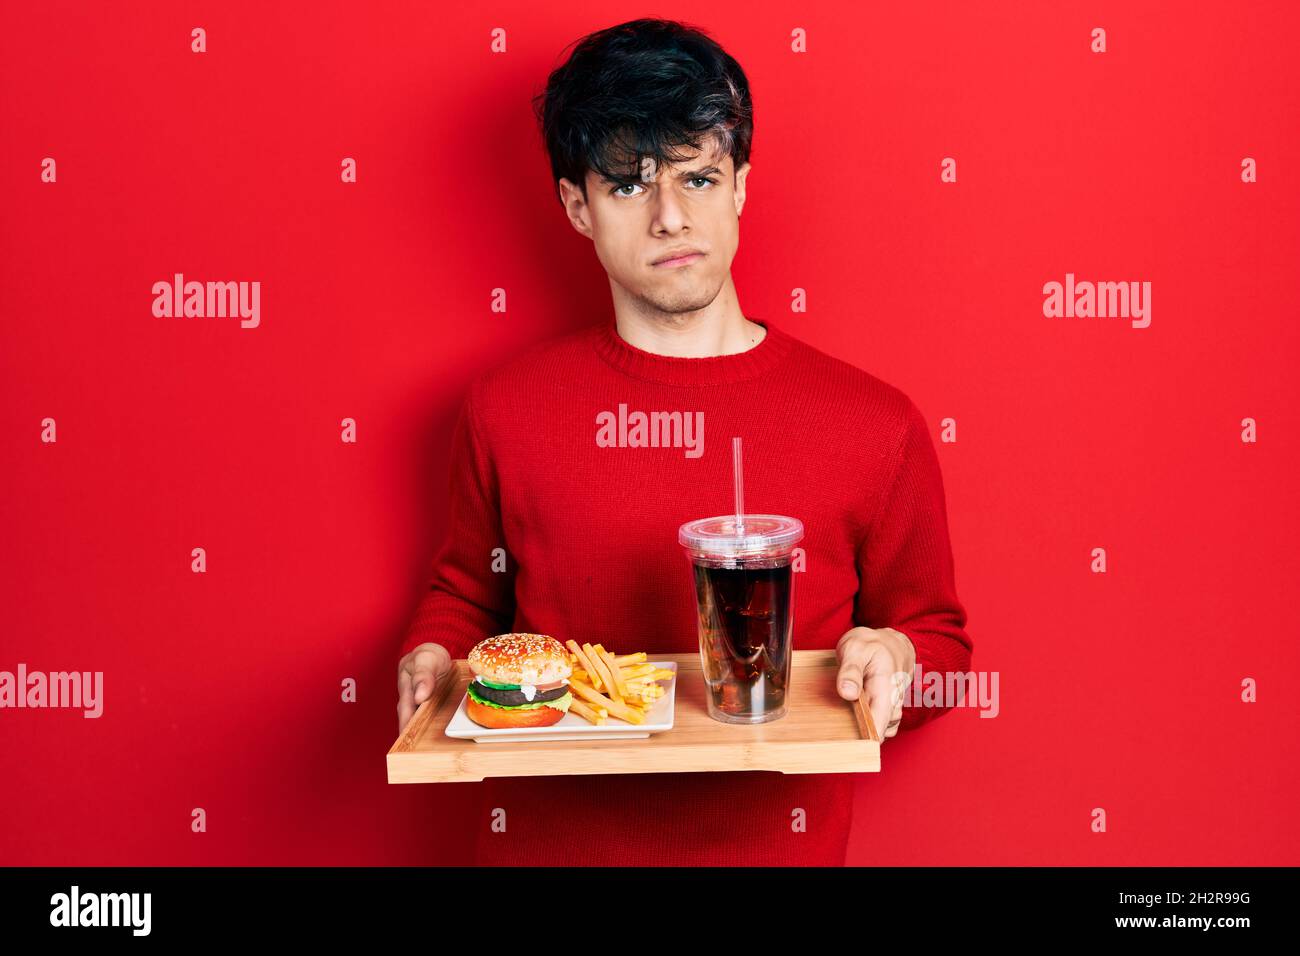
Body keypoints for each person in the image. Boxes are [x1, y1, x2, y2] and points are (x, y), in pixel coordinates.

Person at [396, 17, 973, 866]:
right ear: (575, 207)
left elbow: (944, 647)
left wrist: (895, 658)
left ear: (740, 186)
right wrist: (432, 659)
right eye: (629, 185)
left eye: (699, 177)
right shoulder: (504, 409)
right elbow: (464, 598)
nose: (671, 217)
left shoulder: (872, 422)